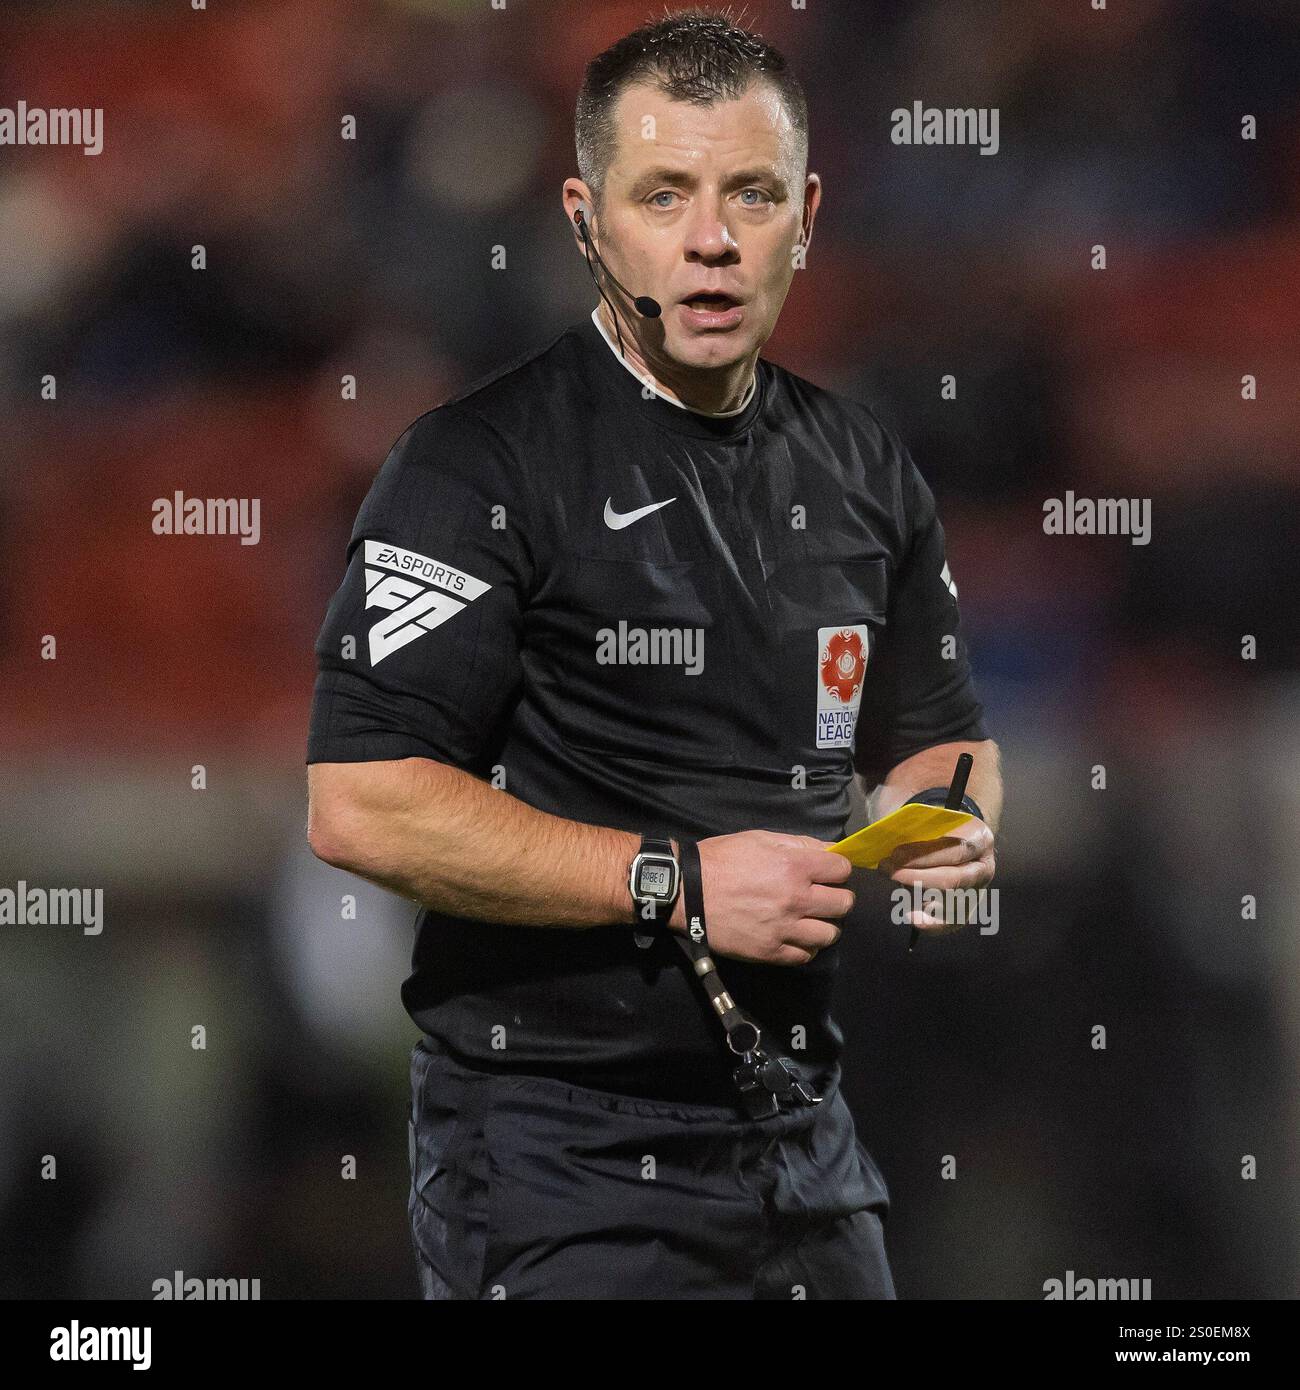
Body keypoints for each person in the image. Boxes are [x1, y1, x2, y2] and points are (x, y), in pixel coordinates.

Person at [305, 6, 1001, 1300]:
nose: (712, 238)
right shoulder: (475, 467)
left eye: (751, 192)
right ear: (585, 217)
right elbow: (361, 802)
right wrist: (673, 878)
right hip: (557, 1157)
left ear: (809, 209)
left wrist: (944, 818)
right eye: (664, 193)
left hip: (807, 1145)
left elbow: (938, 734)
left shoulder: (865, 467)